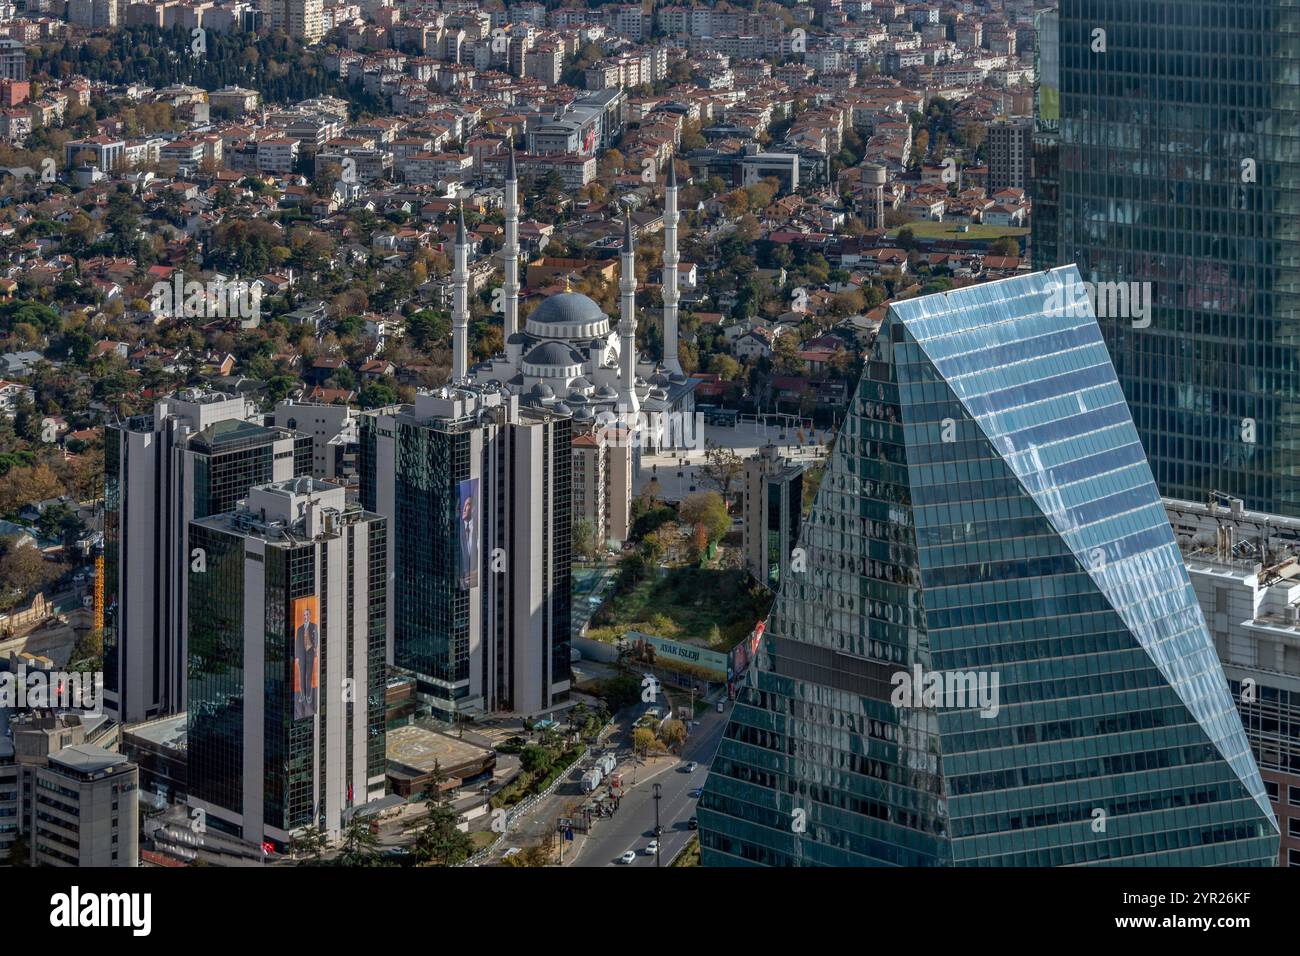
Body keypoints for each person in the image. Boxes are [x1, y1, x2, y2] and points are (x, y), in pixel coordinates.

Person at [293, 604, 318, 720]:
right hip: (302, 654)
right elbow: (297, 643)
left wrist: (315, 649)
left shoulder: (314, 626)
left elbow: (316, 638)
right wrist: (297, 656)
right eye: (304, 615)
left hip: (310, 653)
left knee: (309, 676)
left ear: (310, 615)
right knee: (301, 676)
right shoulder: (299, 629)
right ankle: (302, 695)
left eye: (307, 614)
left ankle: (308, 695)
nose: (306, 616)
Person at [459, 491, 477, 589]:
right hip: (464, 582)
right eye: (464, 505)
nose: (464, 508)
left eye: (468, 505)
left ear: (474, 509)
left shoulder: (478, 528)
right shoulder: (459, 531)